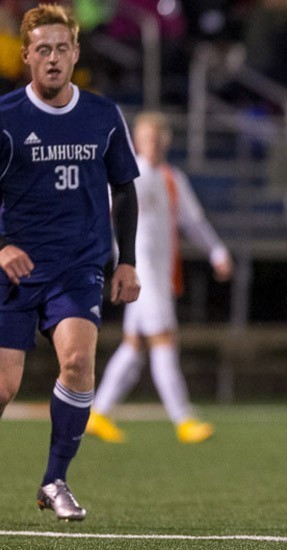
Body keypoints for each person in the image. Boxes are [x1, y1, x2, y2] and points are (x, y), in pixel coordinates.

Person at [0, 4, 140, 521]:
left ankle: (55, 479)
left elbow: (123, 189)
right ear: (26, 57)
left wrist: (124, 262)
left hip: (78, 267)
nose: (54, 58)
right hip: (12, 270)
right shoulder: (6, 118)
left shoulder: (103, 115)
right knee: (3, 388)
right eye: (43, 50)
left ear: (76, 52)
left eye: (62, 48)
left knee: (79, 364)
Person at [85, 112, 233, 445]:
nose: (152, 144)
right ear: (137, 141)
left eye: (158, 138)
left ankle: (98, 413)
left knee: (134, 348)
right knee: (165, 340)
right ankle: (184, 420)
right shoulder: (127, 175)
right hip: (142, 273)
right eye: (147, 138)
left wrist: (217, 251)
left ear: (166, 141)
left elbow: (194, 222)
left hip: (160, 274)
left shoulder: (171, 178)